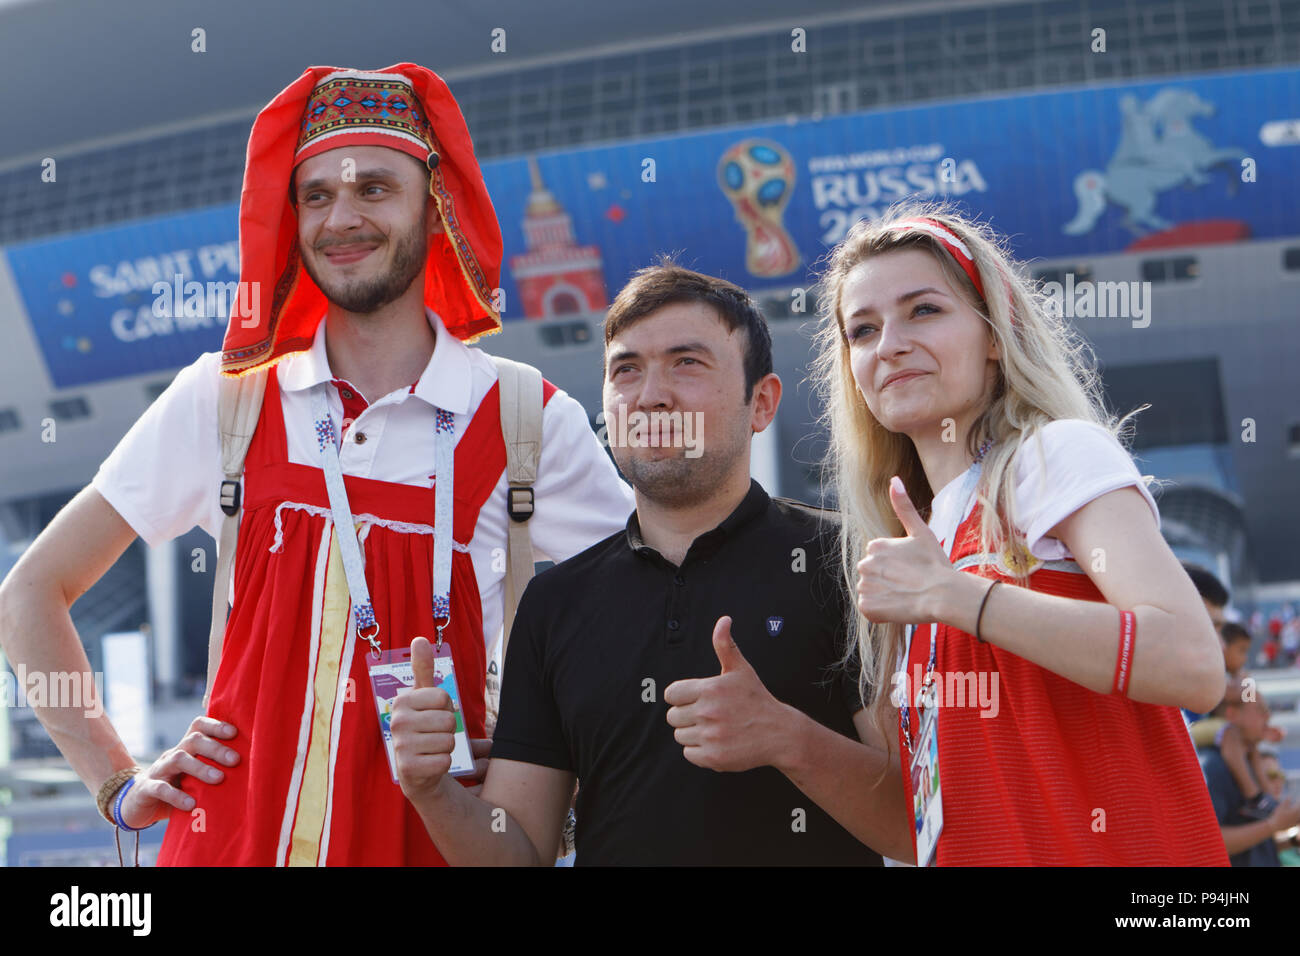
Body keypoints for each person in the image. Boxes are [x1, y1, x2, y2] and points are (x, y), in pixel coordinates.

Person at [0, 64, 634, 866]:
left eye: (374, 188)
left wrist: (536, 769)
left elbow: (644, 622)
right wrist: (116, 782)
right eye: (317, 196)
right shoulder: (224, 401)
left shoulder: (522, 418)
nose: (343, 218)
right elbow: (28, 593)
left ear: (432, 205)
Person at [389, 263, 906, 865]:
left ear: (761, 402)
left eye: (687, 362)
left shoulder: (851, 566)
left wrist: (788, 739)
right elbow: (520, 851)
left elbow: (921, 826)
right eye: (626, 369)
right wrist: (431, 792)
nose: (651, 394)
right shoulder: (555, 604)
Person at [810, 201, 1229, 865]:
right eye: (861, 330)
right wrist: (777, 736)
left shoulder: (1051, 457)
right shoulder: (917, 548)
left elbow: (1193, 664)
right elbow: (921, 830)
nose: (888, 344)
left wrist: (964, 599)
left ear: (994, 336)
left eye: (924, 310)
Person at [1199, 677, 1300, 866]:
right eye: (1261, 710)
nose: (1268, 717)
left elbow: (1251, 844)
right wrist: (1272, 826)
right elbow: (1208, 840)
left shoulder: (1247, 761)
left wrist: (1291, 839)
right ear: (1232, 714)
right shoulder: (1212, 766)